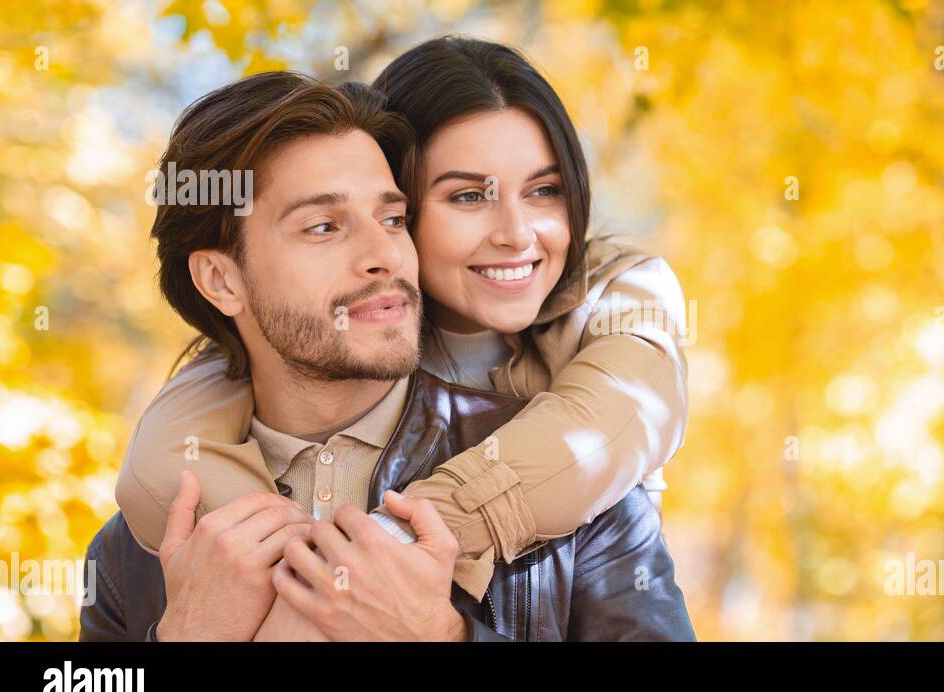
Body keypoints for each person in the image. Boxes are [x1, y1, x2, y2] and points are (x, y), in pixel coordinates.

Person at [80, 72, 695, 641]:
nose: (387, 255)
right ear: (221, 280)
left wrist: (442, 635)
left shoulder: (582, 498)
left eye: (394, 217)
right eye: (323, 227)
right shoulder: (142, 545)